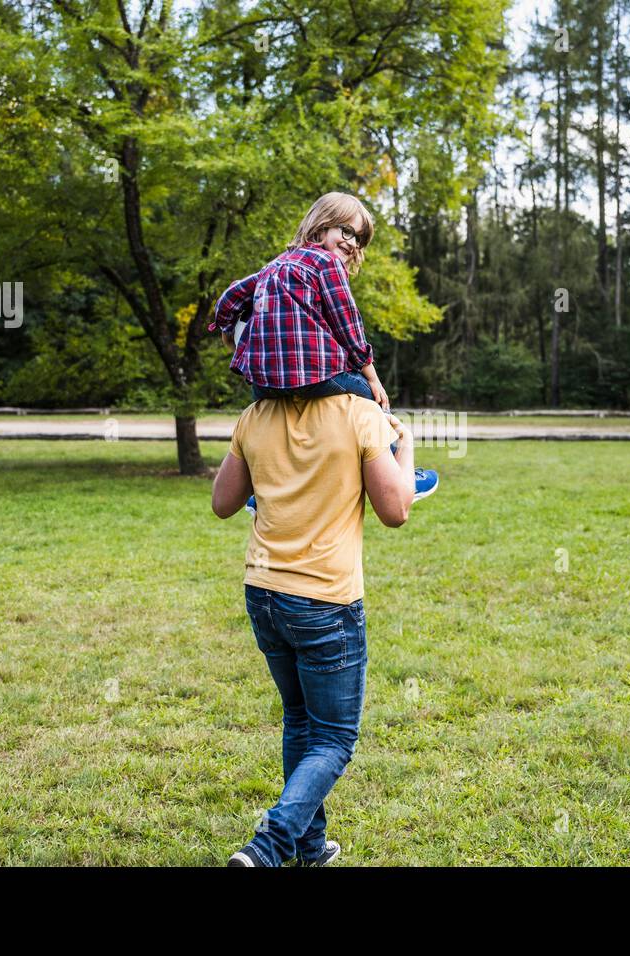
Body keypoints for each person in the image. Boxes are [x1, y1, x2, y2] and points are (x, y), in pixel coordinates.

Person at [210, 391, 416, 867]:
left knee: (299, 719)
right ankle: (269, 844)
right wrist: (404, 446)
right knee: (334, 739)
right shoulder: (361, 415)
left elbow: (224, 503)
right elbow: (396, 510)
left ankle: (309, 846)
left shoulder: (255, 416)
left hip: (263, 594)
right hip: (325, 601)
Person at [209, 191, 437, 511]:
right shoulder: (325, 262)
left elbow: (229, 296)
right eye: (347, 231)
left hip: (265, 386)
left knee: (275, 424)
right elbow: (348, 326)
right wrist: (372, 378)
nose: (353, 242)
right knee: (370, 403)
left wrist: (226, 332)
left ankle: (262, 491)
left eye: (359, 238)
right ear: (321, 226)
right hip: (315, 375)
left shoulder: (273, 267)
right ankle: (403, 471)